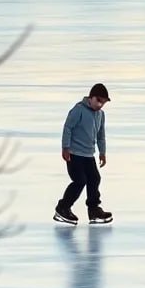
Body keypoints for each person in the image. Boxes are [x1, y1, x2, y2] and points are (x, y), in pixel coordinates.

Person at [54, 83, 112, 225]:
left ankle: (93, 210)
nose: (100, 105)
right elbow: (68, 127)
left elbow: (101, 135)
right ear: (90, 98)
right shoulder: (79, 109)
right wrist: (65, 147)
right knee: (80, 181)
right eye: (98, 100)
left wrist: (102, 152)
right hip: (74, 154)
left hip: (88, 155)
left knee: (94, 179)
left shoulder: (100, 115)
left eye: (103, 102)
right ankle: (63, 208)